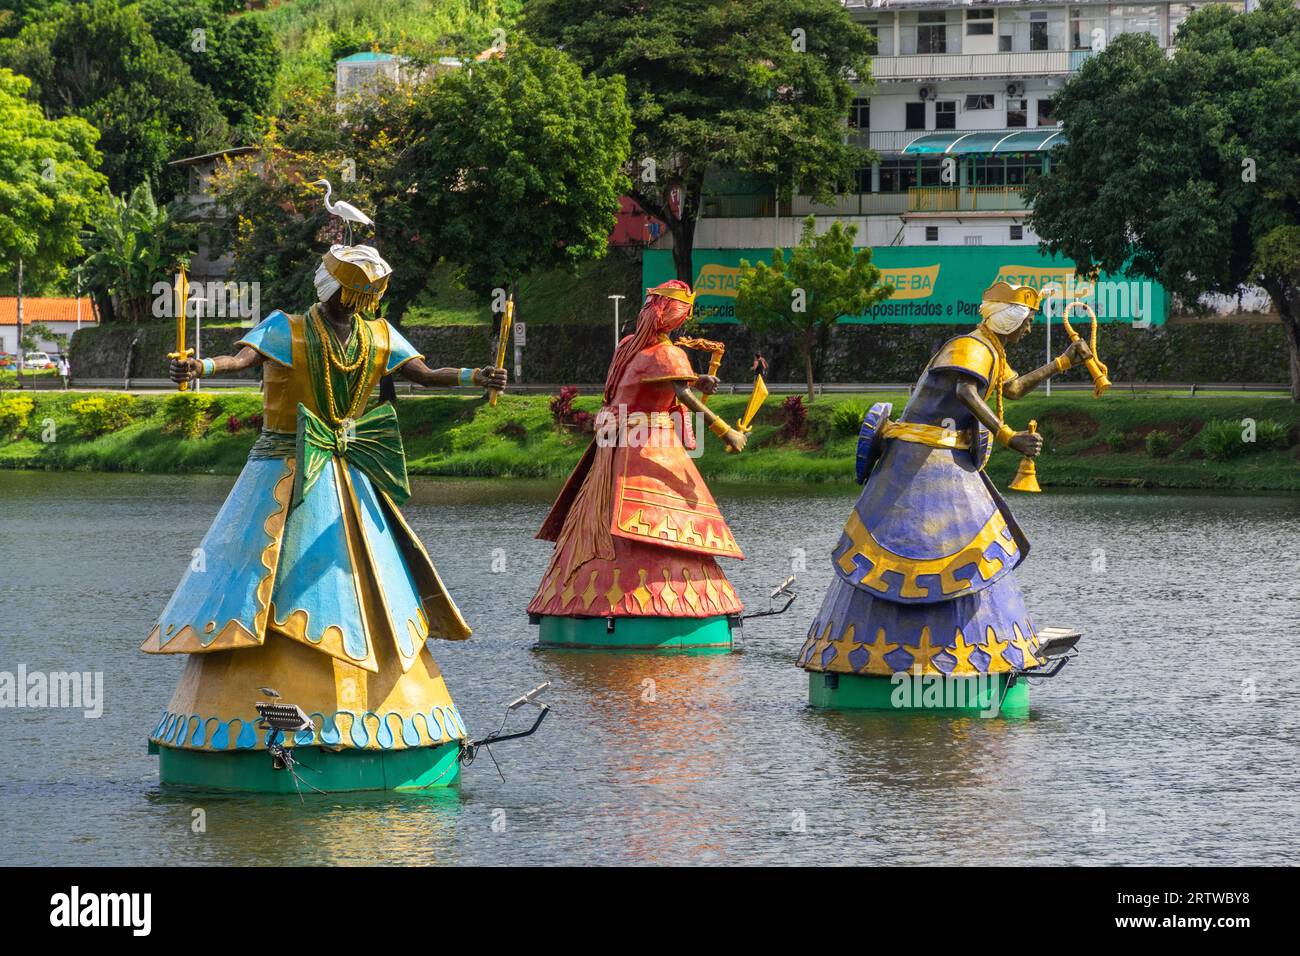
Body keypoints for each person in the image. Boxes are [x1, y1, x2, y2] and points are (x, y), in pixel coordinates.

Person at [142, 243, 508, 790]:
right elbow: (241, 361)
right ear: (332, 287)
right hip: (283, 469)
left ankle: (384, 728)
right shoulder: (285, 329)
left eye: (368, 296)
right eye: (353, 293)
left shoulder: (377, 334)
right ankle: (257, 726)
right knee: (257, 585)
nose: (358, 304)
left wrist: (474, 377)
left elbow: (425, 374)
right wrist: (200, 365)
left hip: (349, 474)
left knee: (363, 586)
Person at [796, 281, 1093, 707]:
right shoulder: (970, 348)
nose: (1029, 330)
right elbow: (965, 393)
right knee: (925, 550)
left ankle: (984, 657)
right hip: (922, 460)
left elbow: (1010, 390)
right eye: (1027, 323)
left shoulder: (991, 350)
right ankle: (915, 665)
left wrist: (1062, 363)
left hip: (949, 460)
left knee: (978, 546)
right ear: (1009, 319)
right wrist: (1008, 437)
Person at [528, 280, 749, 649]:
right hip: (646, 444)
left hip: (612, 445)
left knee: (595, 519)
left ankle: (576, 600)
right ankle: (656, 608)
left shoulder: (627, 346)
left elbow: (650, 389)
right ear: (676, 317)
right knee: (661, 522)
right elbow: (679, 395)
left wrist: (696, 381)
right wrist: (727, 432)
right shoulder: (667, 354)